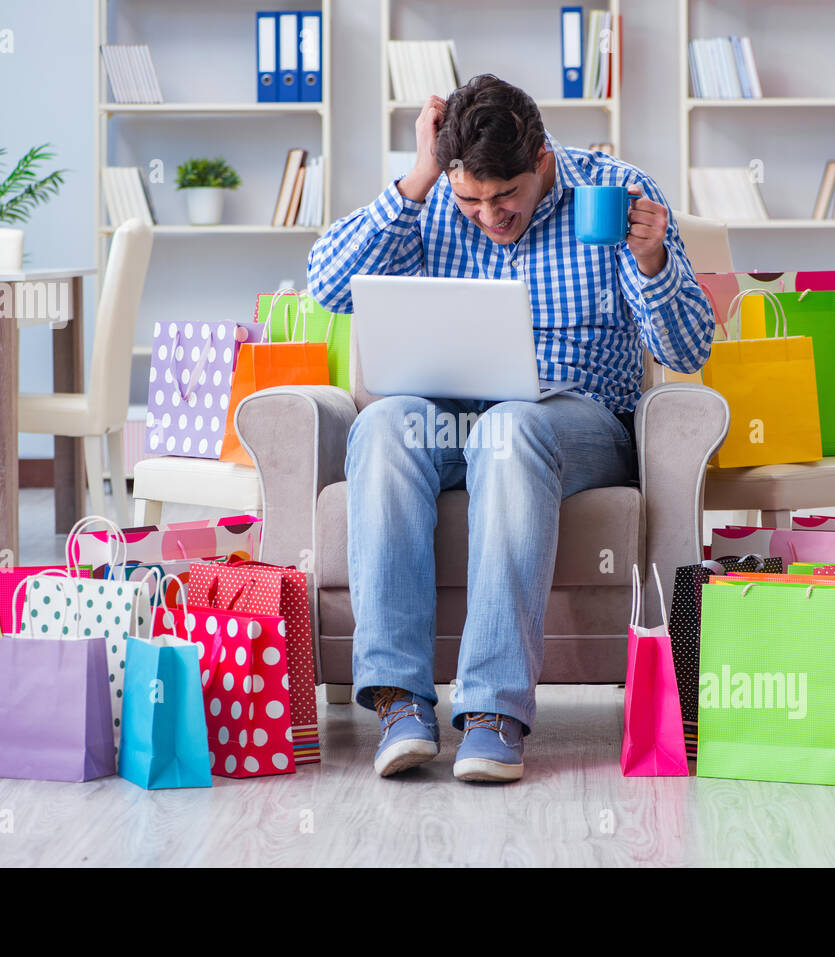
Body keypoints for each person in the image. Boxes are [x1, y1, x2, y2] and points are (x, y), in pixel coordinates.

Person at [306, 74, 714, 783]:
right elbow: (325, 286)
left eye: (507, 197)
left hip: (572, 420)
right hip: (444, 414)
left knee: (512, 429)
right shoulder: (431, 196)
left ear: (542, 160)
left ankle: (494, 710)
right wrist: (418, 182)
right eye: (472, 199)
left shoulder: (614, 190)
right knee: (382, 427)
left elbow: (688, 350)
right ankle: (400, 701)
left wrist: (653, 264)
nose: (489, 215)